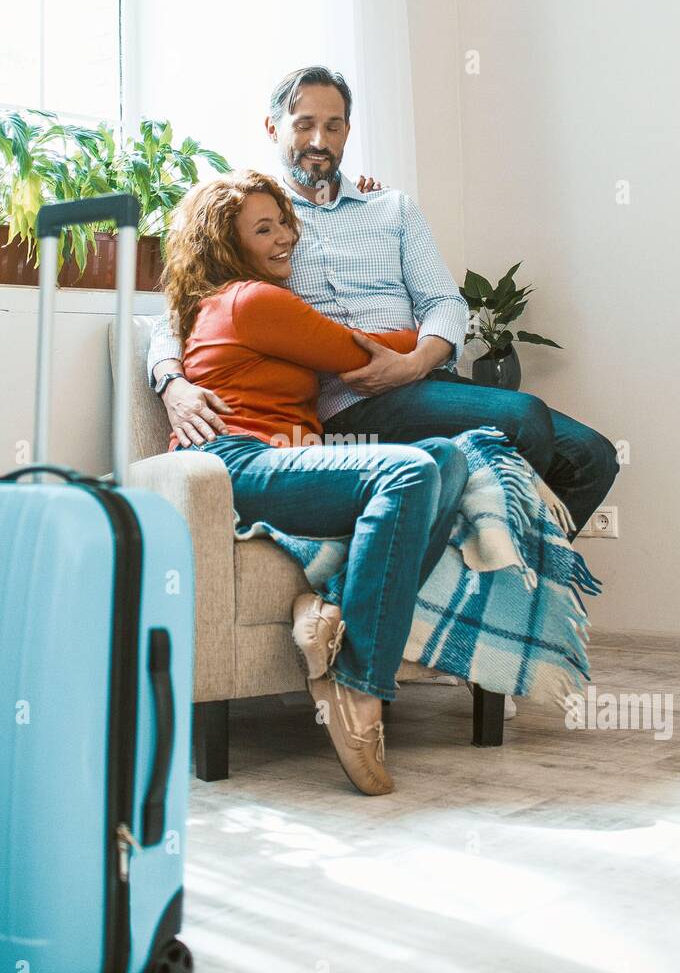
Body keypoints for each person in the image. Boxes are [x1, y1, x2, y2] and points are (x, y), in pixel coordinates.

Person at [148, 65, 618, 539]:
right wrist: (172, 385)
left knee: (592, 456)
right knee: (521, 417)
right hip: (348, 402)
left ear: (348, 130)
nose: (319, 140)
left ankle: (499, 592)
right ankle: (490, 578)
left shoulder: (392, 207)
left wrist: (415, 363)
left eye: (333, 126)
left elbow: (444, 302)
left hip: (424, 379)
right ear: (273, 128)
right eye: (304, 124)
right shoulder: (259, 219)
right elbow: (183, 311)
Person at [160, 170, 469, 797]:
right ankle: (356, 684)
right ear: (226, 243)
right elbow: (362, 352)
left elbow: (340, 348)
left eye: (285, 222)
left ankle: (331, 610)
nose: (286, 239)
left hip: (288, 460)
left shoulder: (243, 303)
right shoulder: (252, 301)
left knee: (449, 458)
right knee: (410, 468)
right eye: (264, 229)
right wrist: (423, 334)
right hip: (237, 463)